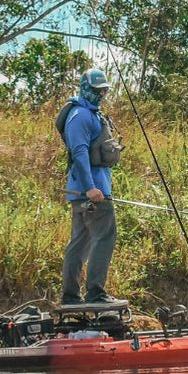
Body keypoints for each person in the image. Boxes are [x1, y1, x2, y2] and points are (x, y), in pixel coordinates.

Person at [60, 68, 123, 307]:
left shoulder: (90, 114)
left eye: (104, 90)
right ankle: (95, 294)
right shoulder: (81, 115)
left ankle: (71, 298)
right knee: (105, 236)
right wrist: (90, 188)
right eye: (98, 90)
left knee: (81, 241)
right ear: (85, 89)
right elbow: (78, 152)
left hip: (90, 191)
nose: (102, 94)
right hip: (91, 193)